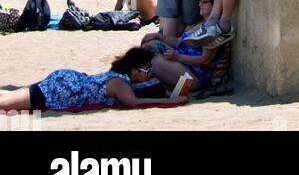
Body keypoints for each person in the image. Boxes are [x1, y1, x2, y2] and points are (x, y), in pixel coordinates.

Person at [0, 46, 184, 114]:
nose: (150, 73)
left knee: (8, 98)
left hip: (66, 82)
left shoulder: (117, 77)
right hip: (63, 90)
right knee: (5, 104)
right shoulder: (120, 83)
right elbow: (134, 102)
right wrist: (169, 101)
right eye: (147, 70)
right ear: (134, 71)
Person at [142, 0, 221, 93]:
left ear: (215, 5)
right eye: (200, 1)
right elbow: (180, 43)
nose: (200, 4)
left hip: (195, 75)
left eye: (205, 2)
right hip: (183, 64)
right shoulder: (202, 24)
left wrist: (177, 57)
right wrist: (159, 37)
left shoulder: (213, 29)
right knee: (149, 44)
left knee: (150, 60)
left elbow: (205, 60)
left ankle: (160, 86)